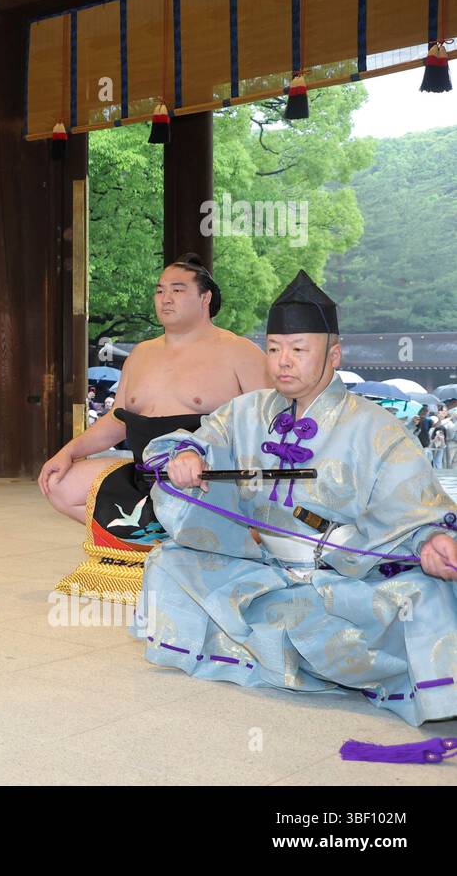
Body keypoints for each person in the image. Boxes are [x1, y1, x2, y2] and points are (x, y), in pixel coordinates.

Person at [139, 270, 457, 726]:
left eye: (299, 350)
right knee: (169, 563)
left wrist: (430, 541)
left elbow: (413, 503)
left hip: (346, 577)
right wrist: (187, 455)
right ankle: (277, 655)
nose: (283, 361)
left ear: (334, 355)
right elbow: (196, 440)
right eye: (273, 349)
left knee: (427, 596)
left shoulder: (376, 427)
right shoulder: (246, 411)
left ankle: (313, 658)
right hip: (262, 566)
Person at [42, 255, 270, 602]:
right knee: (58, 483)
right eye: (160, 290)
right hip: (143, 471)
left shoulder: (238, 352)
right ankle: (152, 552)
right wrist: (68, 451)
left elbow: (268, 425)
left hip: (206, 479)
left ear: (205, 298)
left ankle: (211, 549)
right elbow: (117, 420)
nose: (165, 298)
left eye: (178, 290)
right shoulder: (141, 354)